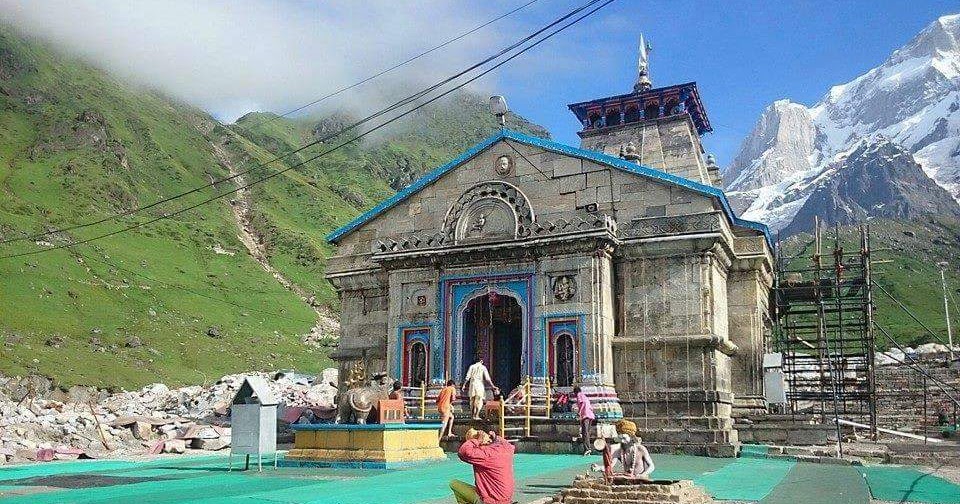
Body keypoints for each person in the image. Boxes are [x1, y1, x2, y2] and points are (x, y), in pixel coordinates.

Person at [450, 428, 516, 504]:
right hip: (506, 498)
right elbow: (508, 444)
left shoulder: (484, 454)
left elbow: (463, 452)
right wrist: (495, 437)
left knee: (453, 484)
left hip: (492, 501)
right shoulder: (505, 449)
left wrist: (476, 441)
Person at [573, 386, 595, 455]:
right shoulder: (584, 396)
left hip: (585, 416)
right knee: (587, 433)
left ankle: (587, 449)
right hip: (590, 415)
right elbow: (590, 407)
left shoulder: (579, 395)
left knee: (584, 433)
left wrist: (579, 412)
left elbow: (582, 404)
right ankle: (588, 449)